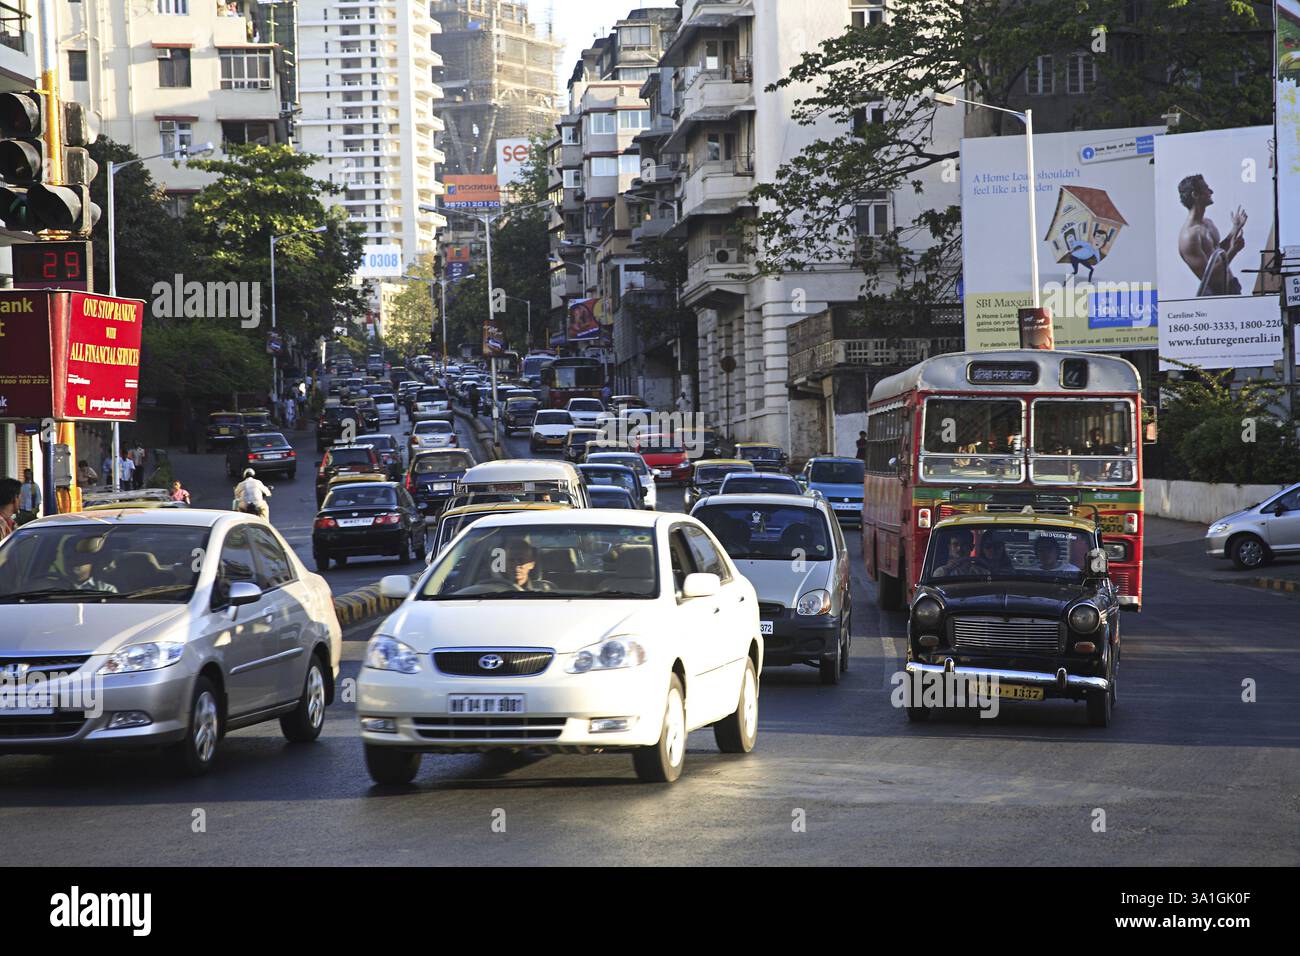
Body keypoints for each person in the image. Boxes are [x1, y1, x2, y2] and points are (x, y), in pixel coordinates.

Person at [1177, 173, 1246, 297]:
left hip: (1231, 286)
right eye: (1206, 188)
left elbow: (1216, 252)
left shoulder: (1207, 223)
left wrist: (1234, 230)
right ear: (1195, 195)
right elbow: (1209, 277)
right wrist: (1234, 251)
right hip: (1215, 296)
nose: (1211, 191)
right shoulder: (1189, 236)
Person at [0, 477, 21, 543]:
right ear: (15, 498)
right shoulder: (1, 525)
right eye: (20, 496)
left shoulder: (11, 524)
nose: (21, 501)